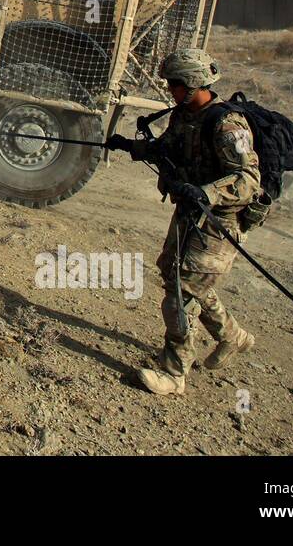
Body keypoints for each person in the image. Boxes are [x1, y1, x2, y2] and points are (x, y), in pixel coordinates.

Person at [106, 47, 260, 395]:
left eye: (174, 83)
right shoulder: (184, 116)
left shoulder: (227, 125)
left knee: (181, 293)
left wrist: (207, 192)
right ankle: (232, 336)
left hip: (218, 222)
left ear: (192, 83)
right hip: (190, 212)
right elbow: (168, 150)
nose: (170, 90)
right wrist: (130, 146)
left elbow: (249, 180)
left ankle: (175, 374)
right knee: (176, 275)